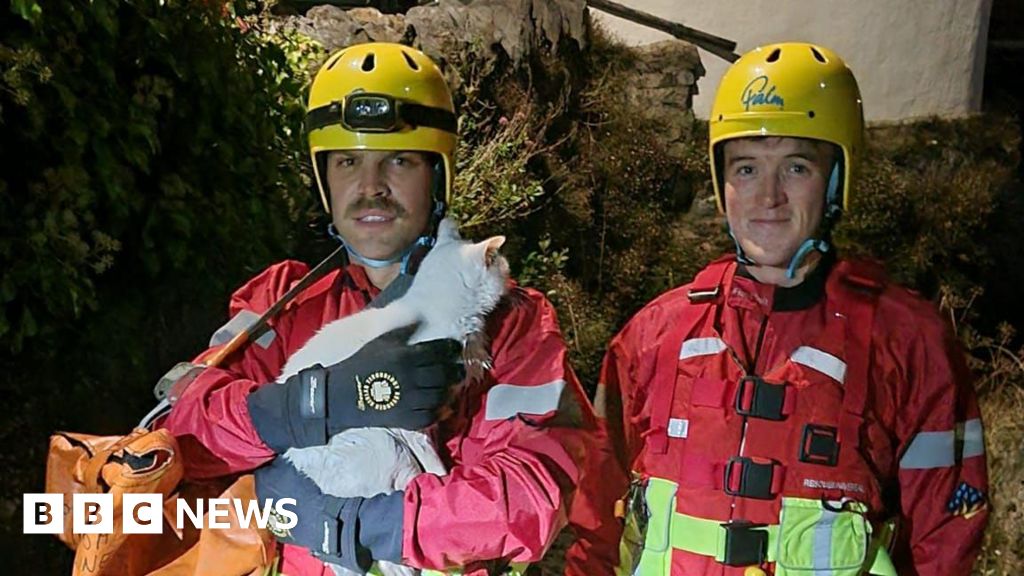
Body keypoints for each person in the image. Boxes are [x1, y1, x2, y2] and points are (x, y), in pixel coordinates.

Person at [162, 42, 618, 575]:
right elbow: (184, 435)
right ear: (324, 179)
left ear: (437, 176)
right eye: (348, 162)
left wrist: (362, 524)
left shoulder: (513, 324)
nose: (370, 187)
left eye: (398, 161)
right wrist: (311, 404)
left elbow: (531, 492)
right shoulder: (281, 301)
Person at [598, 43, 989, 576]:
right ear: (723, 181)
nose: (768, 198)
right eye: (747, 169)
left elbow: (947, 540)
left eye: (796, 167)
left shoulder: (907, 342)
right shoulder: (655, 334)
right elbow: (595, 519)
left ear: (835, 180)